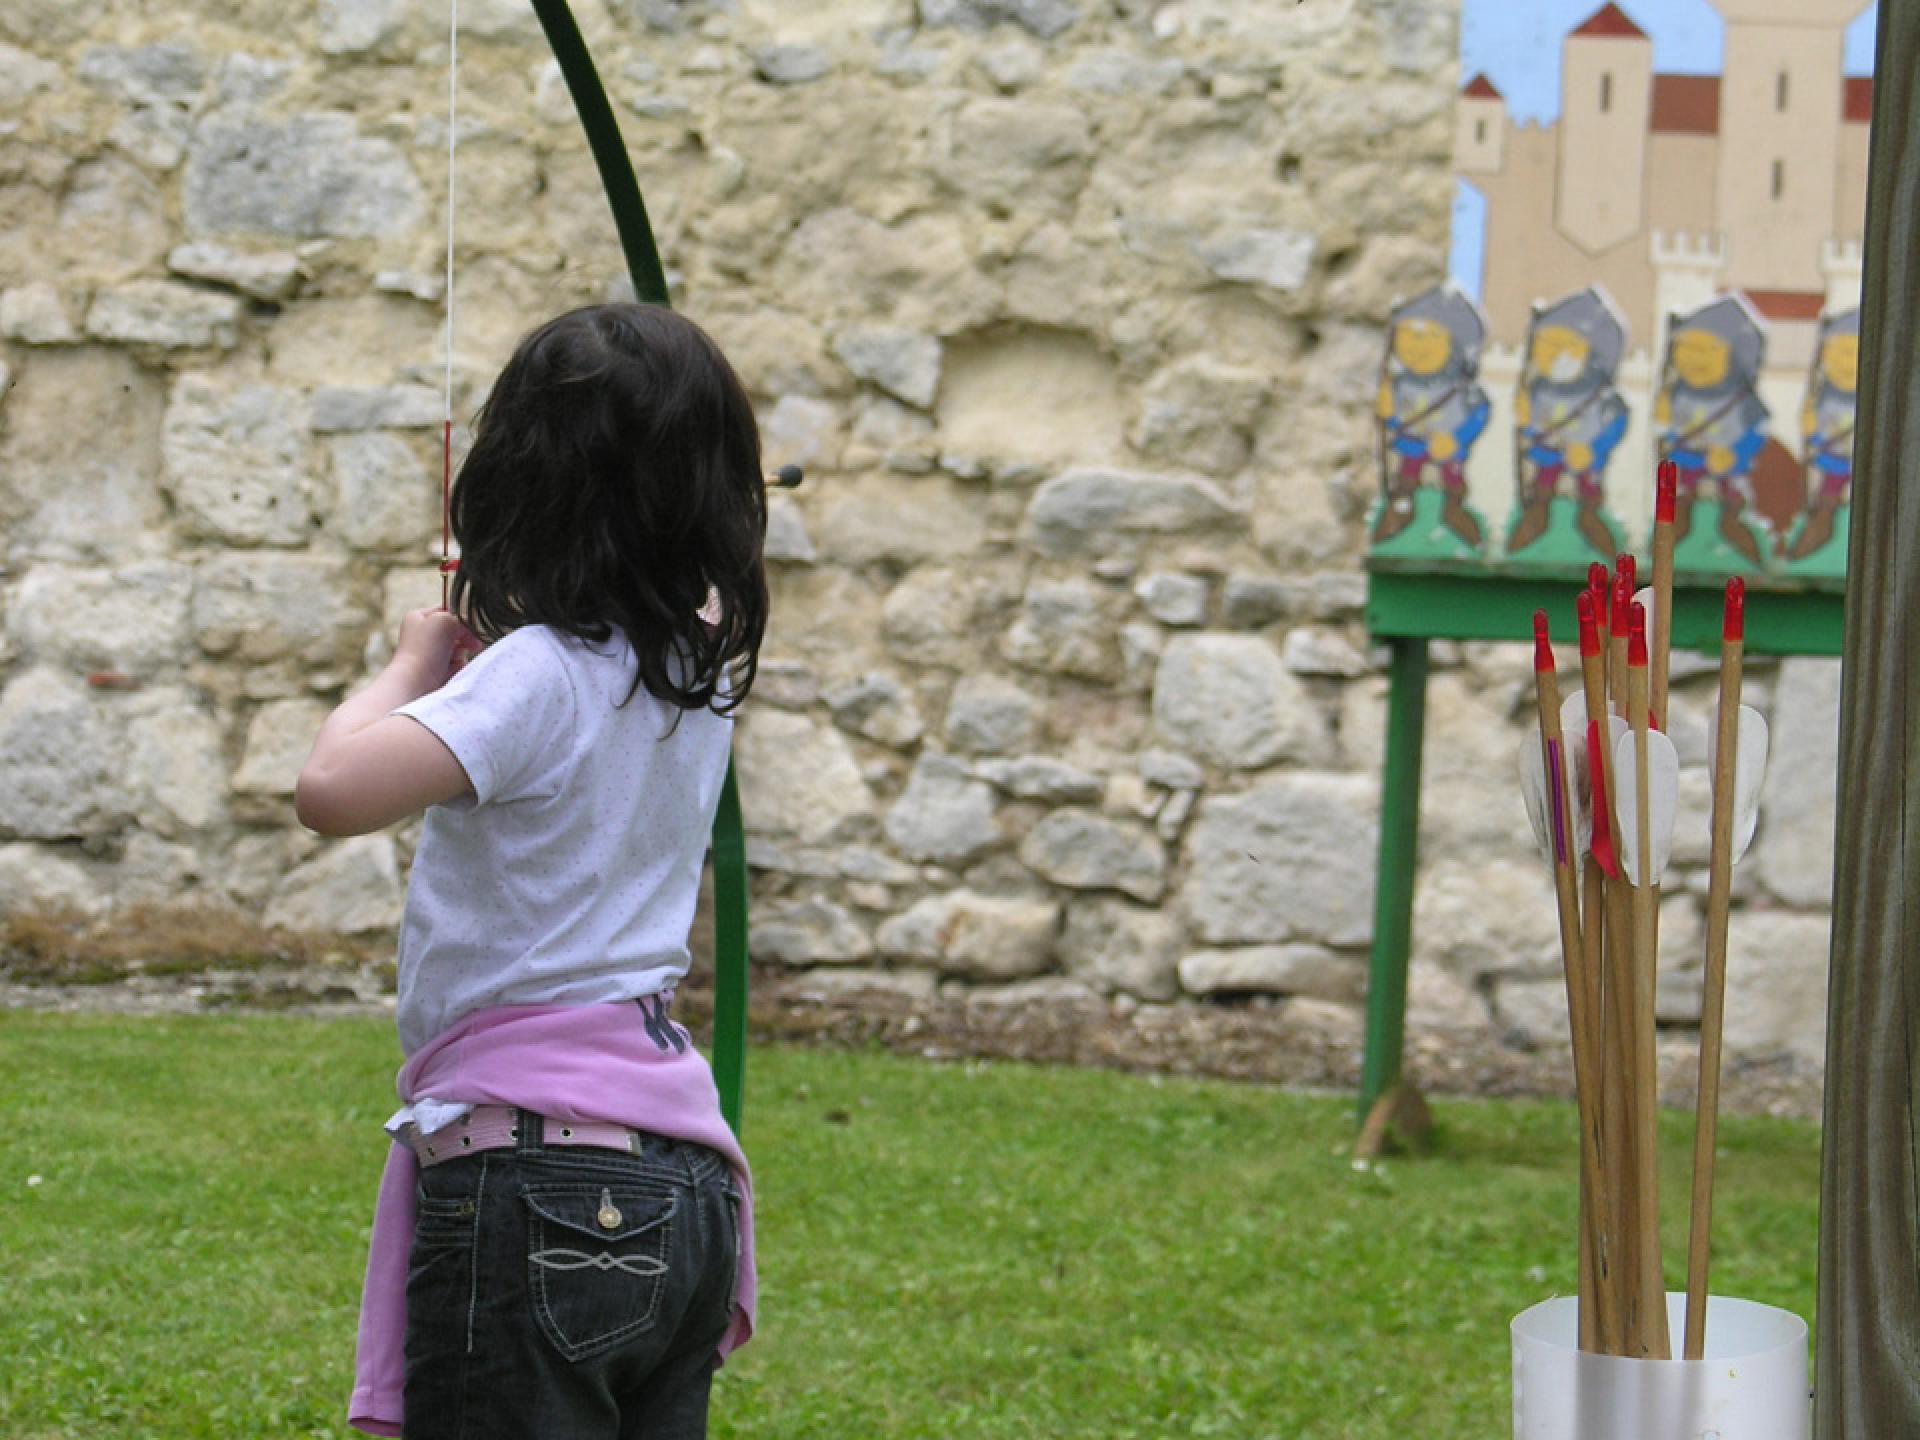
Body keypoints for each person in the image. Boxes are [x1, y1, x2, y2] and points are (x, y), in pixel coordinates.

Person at [294, 303, 768, 1440]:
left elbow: (332, 789)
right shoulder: (693, 677)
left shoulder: (535, 676)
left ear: (515, 485)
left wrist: (412, 664)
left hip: (535, 1181)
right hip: (689, 1189)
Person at [1372, 285, 1490, 550]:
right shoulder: (1399, 386)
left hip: (1447, 449)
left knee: (1452, 484)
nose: (1416, 346)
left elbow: (1479, 414)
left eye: (1429, 336)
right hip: (1412, 445)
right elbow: (1396, 422)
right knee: (1406, 481)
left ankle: (1455, 515)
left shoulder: (1461, 389)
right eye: (1409, 335)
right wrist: (1388, 414)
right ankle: (1400, 513)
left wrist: (1457, 439)